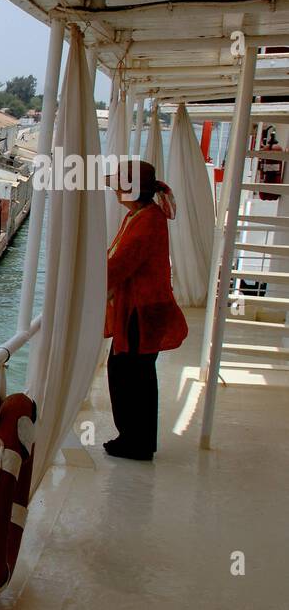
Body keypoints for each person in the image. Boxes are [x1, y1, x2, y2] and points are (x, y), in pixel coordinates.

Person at [104, 160, 188, 461]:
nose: (115, 191)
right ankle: (133, 438)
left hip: (142, 309)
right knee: (132, 373)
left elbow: (122, 263)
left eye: (118, 185)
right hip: (141, 307)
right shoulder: (141, 214)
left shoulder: (146, 220)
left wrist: (87, 277)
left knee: (132, 374)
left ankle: (136, 443)